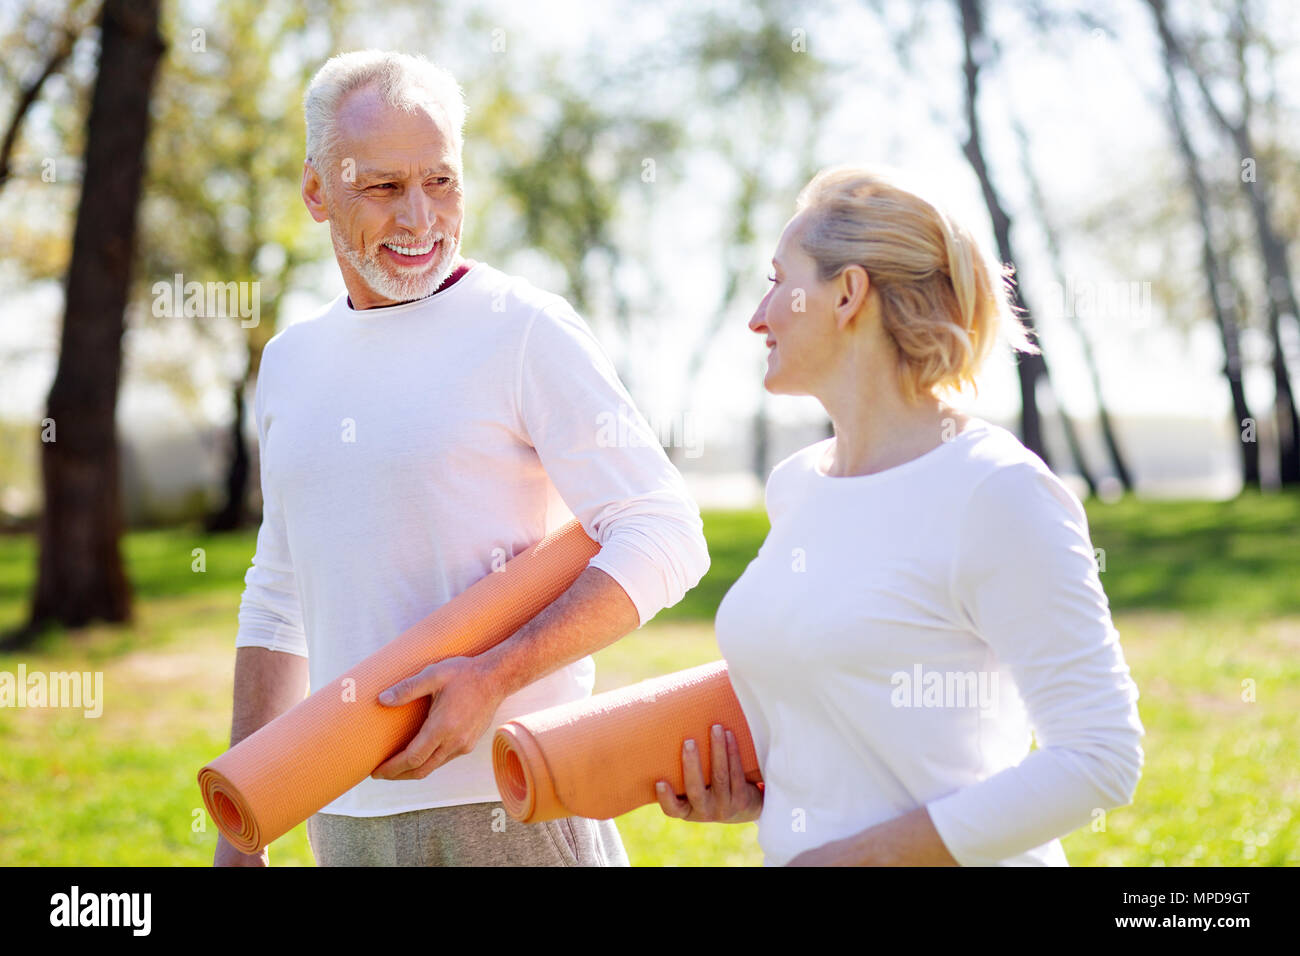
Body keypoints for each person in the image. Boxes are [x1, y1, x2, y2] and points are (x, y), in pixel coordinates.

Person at [214, 50, 710, 867]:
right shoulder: (292, 362)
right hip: (340, 814)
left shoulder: (523, 329)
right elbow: (279, 595)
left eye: (440, 181)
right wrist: (247, 822)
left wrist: (495, 674)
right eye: (383, 187)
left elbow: (664, 530)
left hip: (517, 805)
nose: (419, 219)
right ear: (315, 192)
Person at [656, 165, 1144, 866]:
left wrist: (862, 859)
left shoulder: (997, 492)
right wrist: (770, 796)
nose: (759, 316)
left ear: (848, 293)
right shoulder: (796, 487)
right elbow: (860, 726)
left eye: (776, 279)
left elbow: (1100, 757)